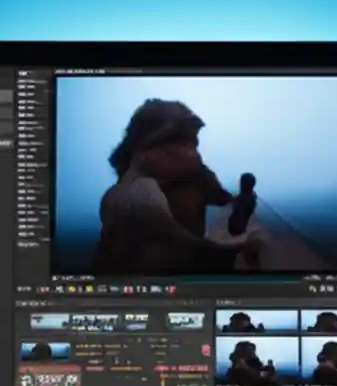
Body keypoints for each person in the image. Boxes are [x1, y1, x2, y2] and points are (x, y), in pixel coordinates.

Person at [93, 99, 261, 274]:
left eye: (194, 143)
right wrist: (236, 247)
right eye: (186, 143)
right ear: (152, 149)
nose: (194, 154)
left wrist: (240, 204)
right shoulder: (134, 191)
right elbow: (175, 242)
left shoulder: (196, 176)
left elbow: (224, 204)